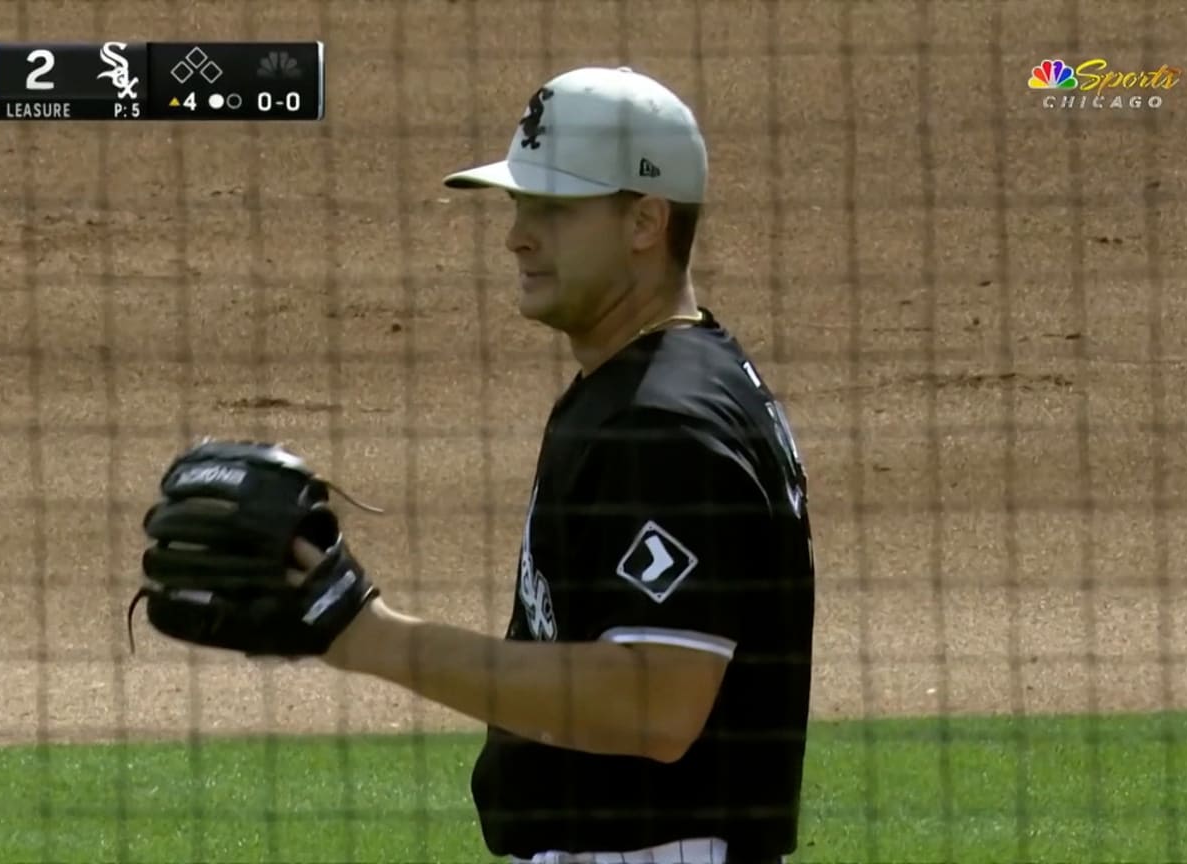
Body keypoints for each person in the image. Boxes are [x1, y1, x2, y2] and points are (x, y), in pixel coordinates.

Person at [304, 65, 819, 863]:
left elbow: (654, 706)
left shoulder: (664, 421)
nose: (517, 232)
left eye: (554, 206)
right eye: (518, 202)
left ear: (646, 220)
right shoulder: (653, 382)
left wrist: (370, 637)